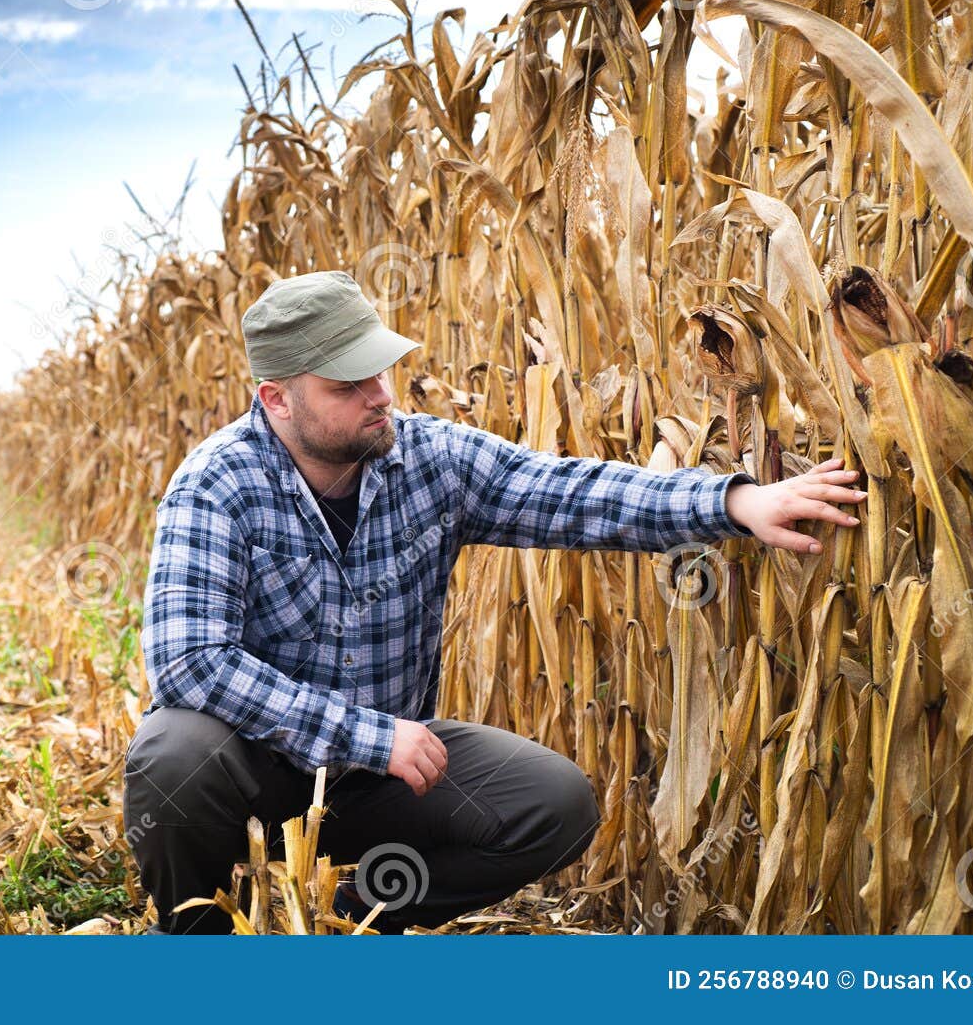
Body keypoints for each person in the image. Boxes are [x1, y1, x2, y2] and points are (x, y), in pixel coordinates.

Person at [122, 269, 866, 934]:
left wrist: (734, 502)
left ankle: (341, 925)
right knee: (170, 755)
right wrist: (371, 735)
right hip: (256, 767)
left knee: (557, 805)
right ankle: (200, 947)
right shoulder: (217, 483)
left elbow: (568, 493)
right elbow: (192, 665)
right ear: (277, 399)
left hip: (374, 786)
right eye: (347, 385)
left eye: (380, 372)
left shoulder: (428, 459)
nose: (381, 396)